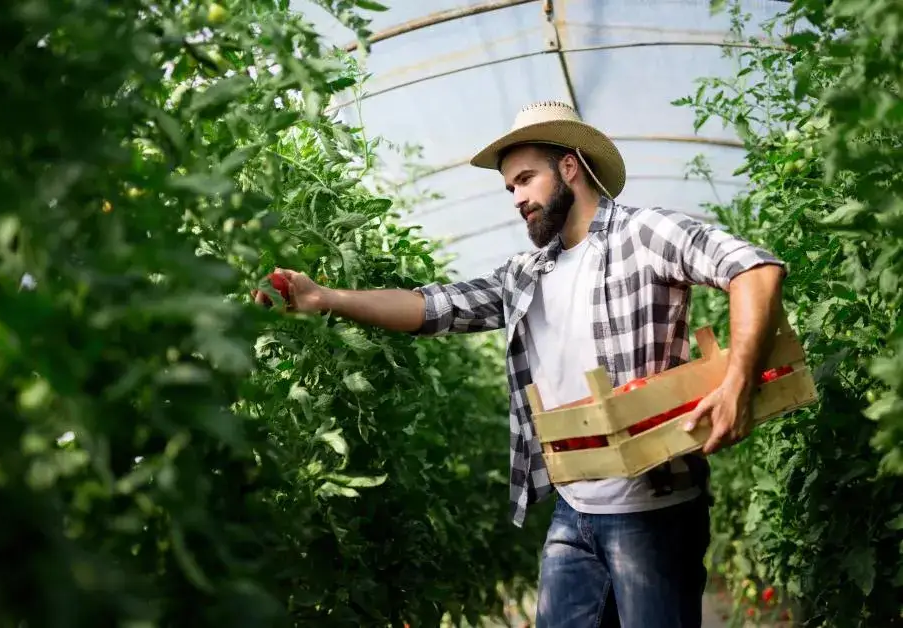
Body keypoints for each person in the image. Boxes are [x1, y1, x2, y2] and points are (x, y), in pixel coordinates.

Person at [255, 101, 787, 627]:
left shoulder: (642, 235)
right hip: (573, 509)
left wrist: (738, 382)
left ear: (570, 167)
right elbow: (432, 307)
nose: (517, 198)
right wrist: (324, 297)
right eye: (509, 188)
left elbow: (754, 267)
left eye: (525, 179)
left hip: (652, 506)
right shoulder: (526, 273)